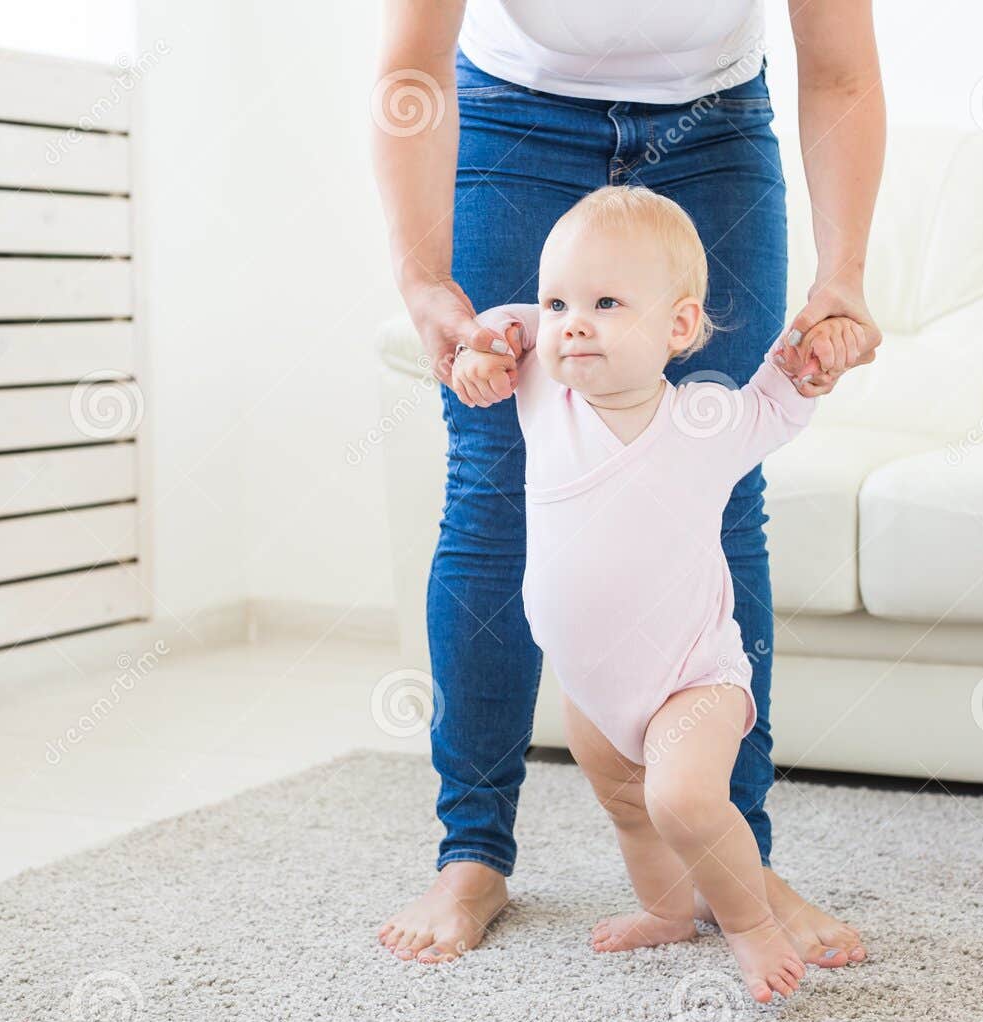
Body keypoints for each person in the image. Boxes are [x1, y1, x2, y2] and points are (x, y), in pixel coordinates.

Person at [372, 0, 885, 965]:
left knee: (718, 483)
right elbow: (413, 64)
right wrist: (421, 279)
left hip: (716, 122)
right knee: (491, 477)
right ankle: (472, 853)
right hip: (512, 114)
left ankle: (739, 859)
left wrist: (845, 273)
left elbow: (843, 69)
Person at [456, 186, 864, 1001]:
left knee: (679, 799)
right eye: (560, 301)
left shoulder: (706, 421)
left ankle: (748, 923)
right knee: (627, 807)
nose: (572, 322)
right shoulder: (543, 394)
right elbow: (507, 322)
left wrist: (805, 362)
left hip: (691, 679)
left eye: (606, 303)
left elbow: (780, 404)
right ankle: (666, 912)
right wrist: (483, 349)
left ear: (679, 327)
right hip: (590, 683)